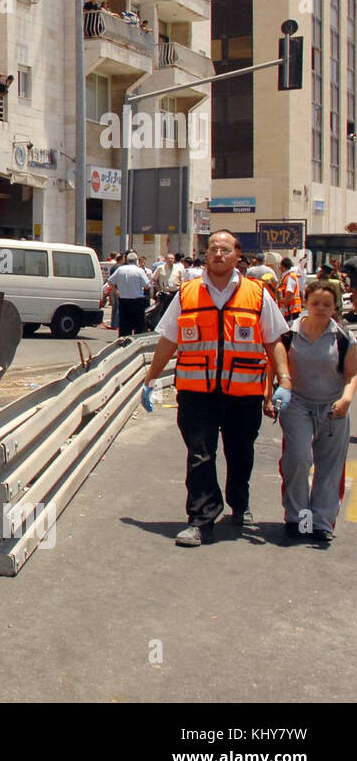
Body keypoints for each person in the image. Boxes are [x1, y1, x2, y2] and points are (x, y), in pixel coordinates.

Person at [141, 231, 290, 547]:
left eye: (225, 249)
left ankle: (239, 501)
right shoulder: (186, 294)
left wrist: (284, 382)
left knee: (240, 454)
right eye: (212, 249)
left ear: (238, 256)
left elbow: (273, 341)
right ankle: (200, 520)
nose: (218, 254)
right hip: (197, 393)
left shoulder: (259, 294)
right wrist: (151, 378)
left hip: (244, 393)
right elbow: (169, 340)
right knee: (200, 456)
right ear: (206, 255)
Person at [275, 281, 357, 543]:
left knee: (330, 466)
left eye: (327, 305)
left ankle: (321, 522)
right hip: (298, 404)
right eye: (315, 304)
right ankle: (299, 519)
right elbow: (274, 365)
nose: (320, 309)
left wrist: (346, 399)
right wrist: (271, 395)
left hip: (333, 406)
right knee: (298, 459)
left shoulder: (344, 338)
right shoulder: (289, 333)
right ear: (306, 304)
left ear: (335, 307)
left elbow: (351, 374)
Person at [105, 252, 150, 337]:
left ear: (126, 260)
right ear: (136, 261)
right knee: (139, 327)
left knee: (124, 326)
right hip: (137, 301)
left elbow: (110, 281)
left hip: (124, 300)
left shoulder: (120, 270)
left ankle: (124, 344)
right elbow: (147, 286)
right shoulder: (139, 271)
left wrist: (116, 291)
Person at [279, 257, 303, 321]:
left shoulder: (290, 276)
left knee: (290, 329)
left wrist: (284, 306)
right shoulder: (287, 276)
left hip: (291, 310)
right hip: (290, 309)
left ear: (282, 266)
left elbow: (290, 292)